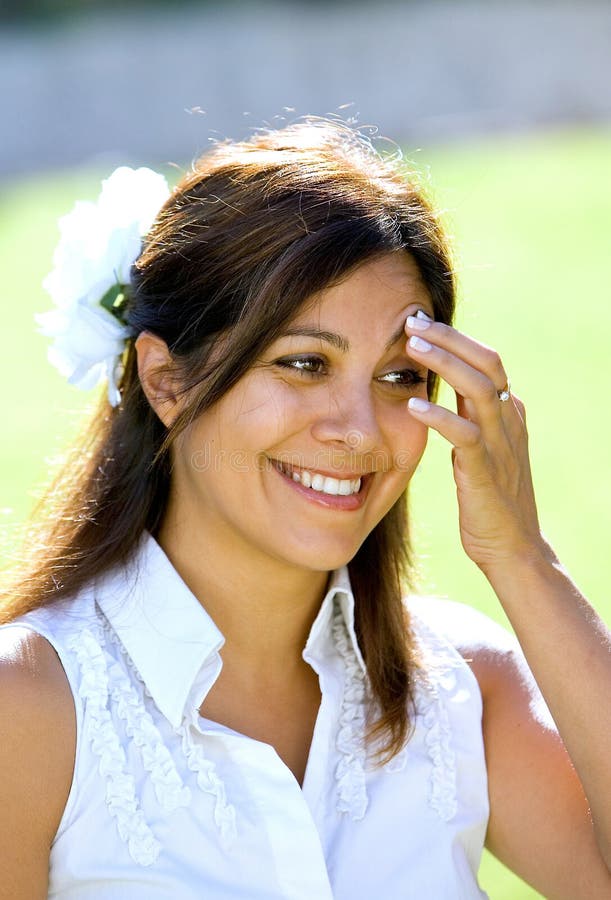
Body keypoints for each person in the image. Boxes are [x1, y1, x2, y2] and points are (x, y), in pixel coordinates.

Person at [0, 118, 609, 900]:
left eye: (399, 378)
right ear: (165, 382)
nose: (358, 431)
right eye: (303, 363)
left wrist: (523, 561)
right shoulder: (32, 707)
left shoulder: (464, 683)